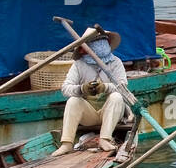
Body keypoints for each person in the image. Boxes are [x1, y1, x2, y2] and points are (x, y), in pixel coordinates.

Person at [55, 28, 128, 156]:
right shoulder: (79, 65)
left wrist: (105, 87)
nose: (101, 45)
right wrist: (82, 89)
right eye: (96, 42)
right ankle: (66, 143)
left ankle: (104, 139)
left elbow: (123, 87)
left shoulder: (115, 62)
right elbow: (65, 88)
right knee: (73, 101)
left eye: (102, 40)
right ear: (86, 47)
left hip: (110, 113)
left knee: (116, 96)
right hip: (90, 114)